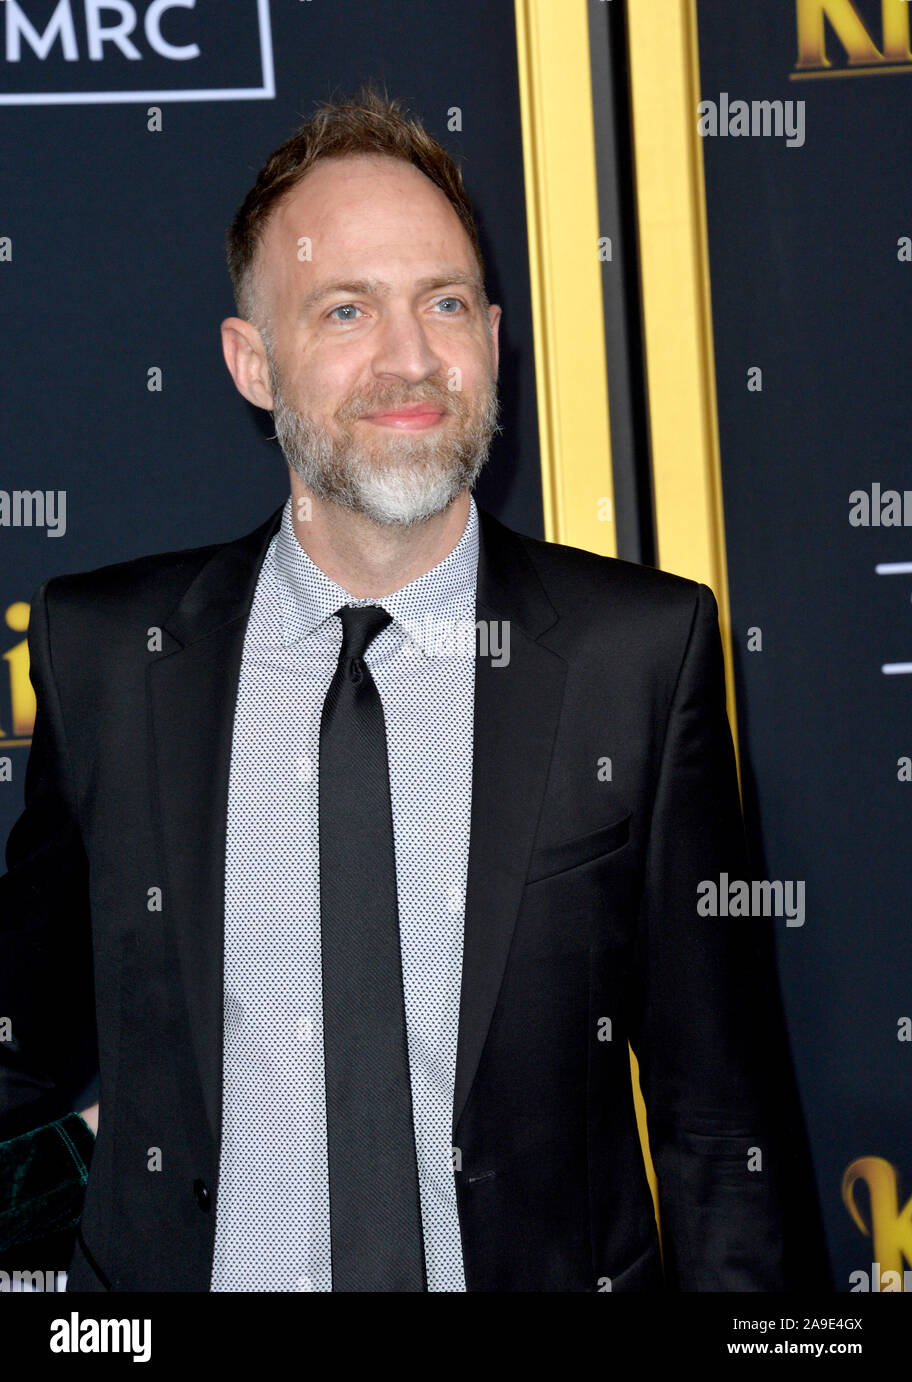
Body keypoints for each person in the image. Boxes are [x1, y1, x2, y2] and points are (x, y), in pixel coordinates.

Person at [0, 86, 825, 1292]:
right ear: (253, 363)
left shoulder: (633, 656)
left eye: (445, 303)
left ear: (492, 341)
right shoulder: (111, 659)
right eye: (347, 309)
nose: (410, 357)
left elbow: (723, 1131)